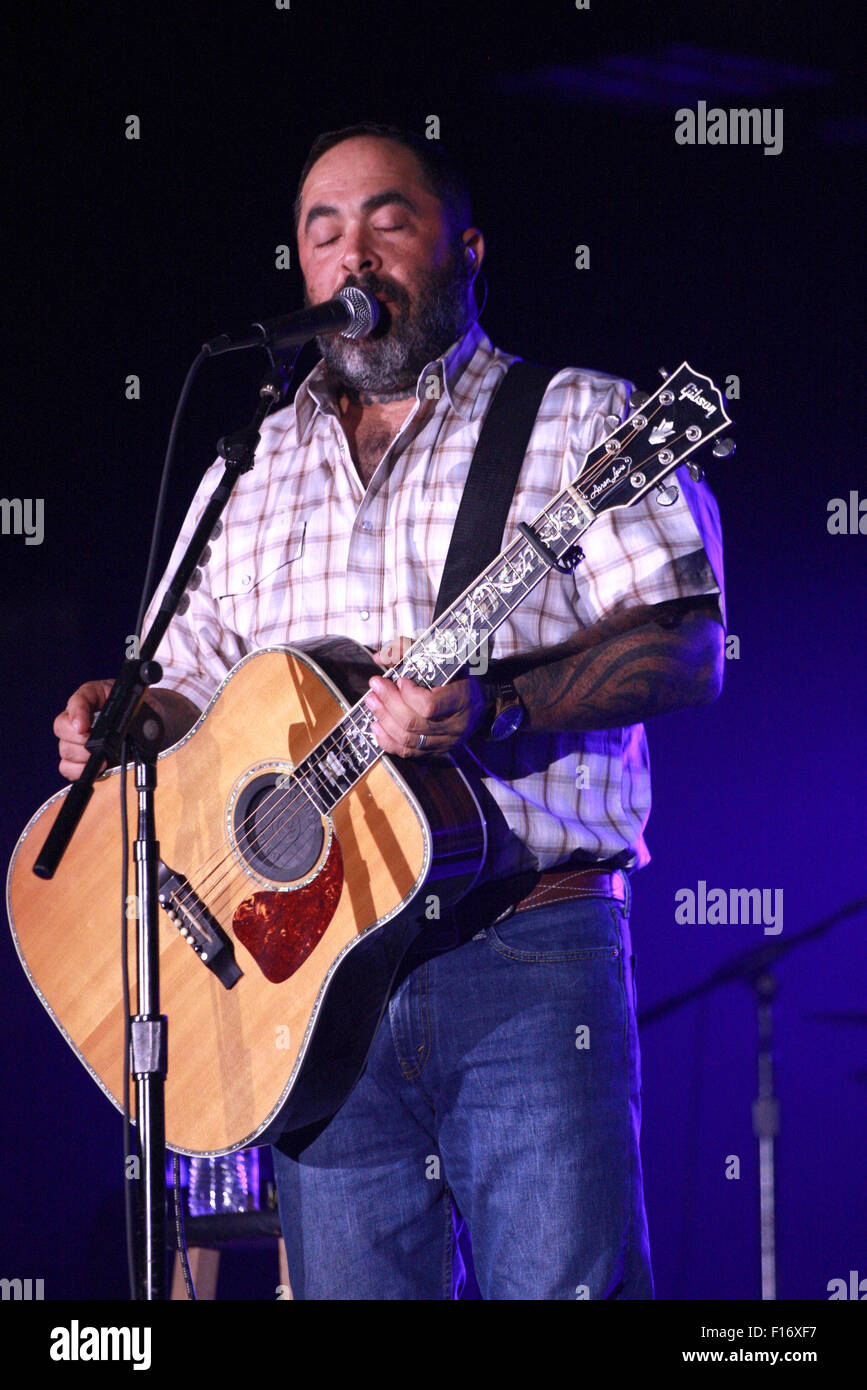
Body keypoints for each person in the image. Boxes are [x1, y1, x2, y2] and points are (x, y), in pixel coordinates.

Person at [54, 122, 726, 1300]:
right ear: (302, 271)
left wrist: (495, 703)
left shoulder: (579, 422)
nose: (352, 254)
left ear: (465, 249)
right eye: (323, 231)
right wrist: (132, 717)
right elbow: (195, 681)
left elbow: (688, 644)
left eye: (387, 220)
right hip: (305, 976)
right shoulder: (248, 460)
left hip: (524, 944)